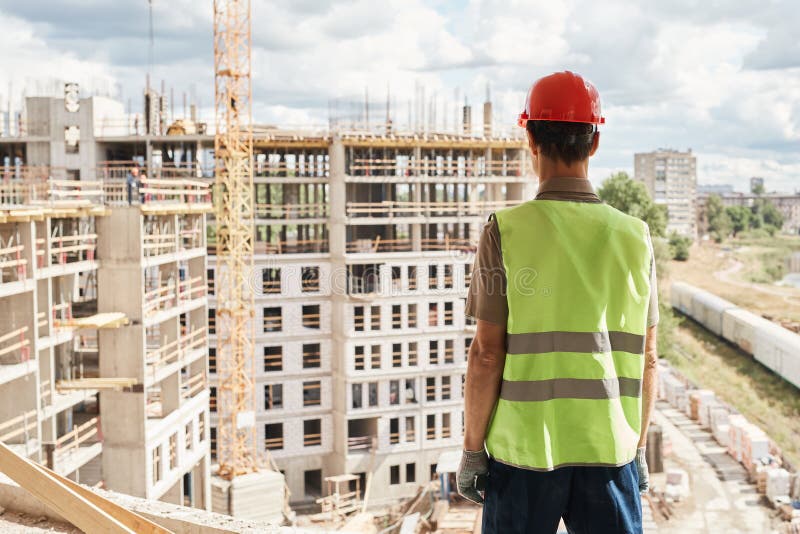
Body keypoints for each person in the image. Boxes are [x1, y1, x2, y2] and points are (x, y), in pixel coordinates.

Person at [456, 71, 659, 534]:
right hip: (610, 452)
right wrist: (639, 446)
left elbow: (487, 353)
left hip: (524, 454)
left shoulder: (504, 231)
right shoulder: (636, 237)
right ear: (595, 142)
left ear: (530, 138)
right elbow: (648, 358)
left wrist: (472, 450)